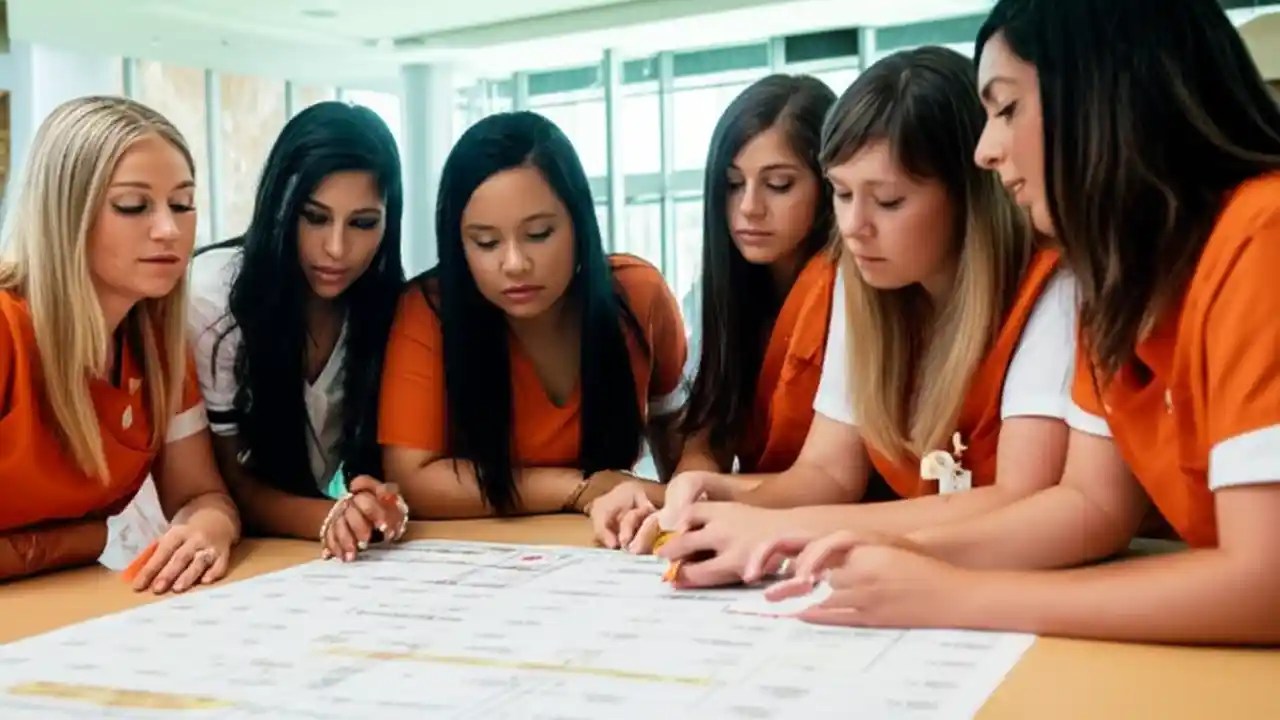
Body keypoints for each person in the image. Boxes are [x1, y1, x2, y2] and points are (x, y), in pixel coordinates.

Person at [754, 0, 1280, 646]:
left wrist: (956, 594)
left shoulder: (1263, 234)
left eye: (1005, 109)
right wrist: (886, 546)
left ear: (1102, 95)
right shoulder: (1117, 273)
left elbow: (1267, 582)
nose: (986, 150)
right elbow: (1092, 506)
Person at [653, 46, 1077, 587]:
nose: (854, 226)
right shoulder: (864, 282)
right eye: (842, 194)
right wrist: (717, 495)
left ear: (972, 194)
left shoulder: (1052, 287)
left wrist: (782, 532)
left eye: (889, 201)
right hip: (923, 574)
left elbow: (1021, 497)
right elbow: (828, 471)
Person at [379, 111, 688, 519]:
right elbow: (412, 480)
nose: (515, 264)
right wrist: (581, 488)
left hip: (611, 543)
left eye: (539, 234)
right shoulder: (429, 311)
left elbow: (678, 431)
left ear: (579, 223)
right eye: (486, 242)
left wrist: (682, 515)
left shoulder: (637, 295)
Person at [0, 96, 240, 592]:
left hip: (65, 604)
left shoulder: (157, 344)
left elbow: (200, 494)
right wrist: (73, 542)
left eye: (183, 203)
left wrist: (207, 530)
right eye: (133, 206)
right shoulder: (7, 330)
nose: (169, 230)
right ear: (66, 214)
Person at [588, 74, 839, 549]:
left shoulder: (848, 286)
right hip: (766, 522)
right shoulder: (721, 291)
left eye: (779, 185)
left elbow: (834, 477)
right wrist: (674, 498)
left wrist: (692, 498)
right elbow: (709, 434)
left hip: (834, 524)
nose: (749, 207)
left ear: (830, 184)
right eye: (731, 184)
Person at [188, 101, 408, 564]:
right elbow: (226, 486)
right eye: (314, 217)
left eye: (364, 223)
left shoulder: (387, 309)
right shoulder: (215, 299)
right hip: (183, 550)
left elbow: (372, 465)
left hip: (283, 558)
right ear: (279, 209)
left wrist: (375, 501)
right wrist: (332, 518)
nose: (336, 248)